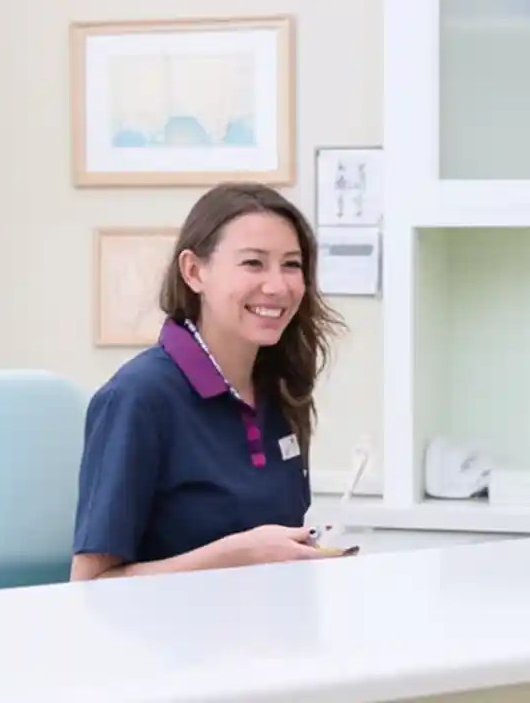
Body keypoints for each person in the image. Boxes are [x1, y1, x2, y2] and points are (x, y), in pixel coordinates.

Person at [70, 182, 346, 581]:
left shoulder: (279, 386)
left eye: (291, 265)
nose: (278, 286)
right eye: (253, 263)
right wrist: (237, 556)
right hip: (170, 623)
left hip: (272, 618)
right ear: (194, 271)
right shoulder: (137, 398)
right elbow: (89, 585)